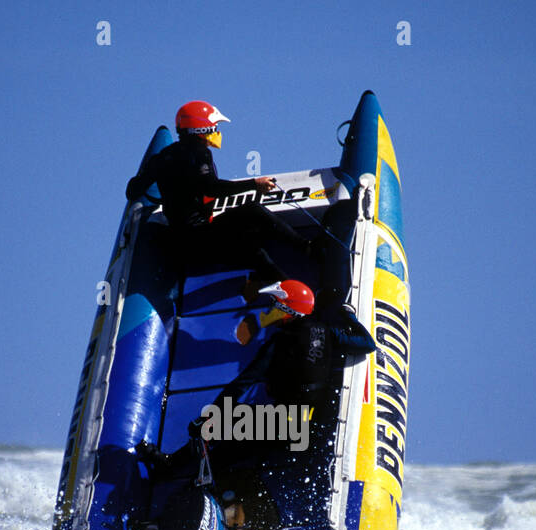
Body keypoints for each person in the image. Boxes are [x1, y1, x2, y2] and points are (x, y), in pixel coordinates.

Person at [137, 280, 376, 478]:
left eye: (276, 306)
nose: (271, 311)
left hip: (288, 429)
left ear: (289, 311)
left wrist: (208, 418)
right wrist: (348, 316)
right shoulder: (327, 333)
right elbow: (368, 344)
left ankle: (170, 467)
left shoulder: (279, 344)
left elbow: (242, 384)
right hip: (309, 425)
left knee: (224, 437)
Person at [125, 100, 320, 296]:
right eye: (214, 127)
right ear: (202, 128)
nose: (216, 131)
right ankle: (307, 249)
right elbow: (212, 188)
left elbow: (132, 190)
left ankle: (283, 290)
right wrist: (254, 184)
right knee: (254, 212)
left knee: (251, 247)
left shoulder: (162, 157)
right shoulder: (200, 154)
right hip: (199, 239)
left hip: (180, 242)